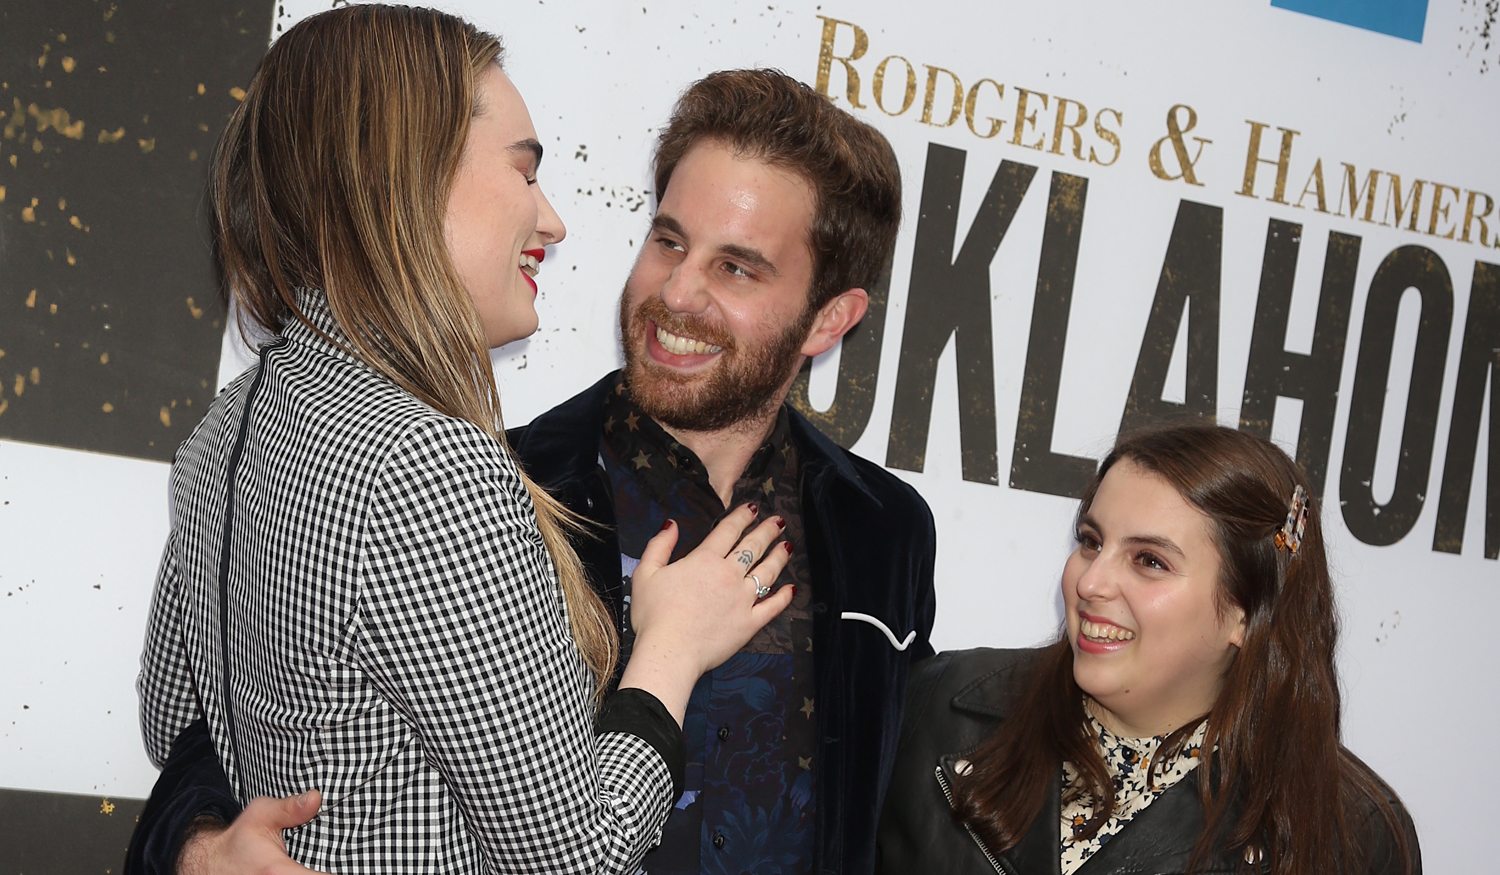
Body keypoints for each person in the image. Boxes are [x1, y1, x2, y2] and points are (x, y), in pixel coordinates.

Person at [131, 67, 936, 875]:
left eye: (736, 268)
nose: (678, 292)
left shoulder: (884, 528)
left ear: (831, 318)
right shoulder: (501, 479)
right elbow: (218, 719)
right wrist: (198, 846)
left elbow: (890, 812)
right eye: (668, 241)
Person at [876, 424, 1421, 875]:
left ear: (1245, 614)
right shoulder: (938, 701)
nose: (1091, 583)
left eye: (1149, 561)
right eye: (1091, 541)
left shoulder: (1347, 832)